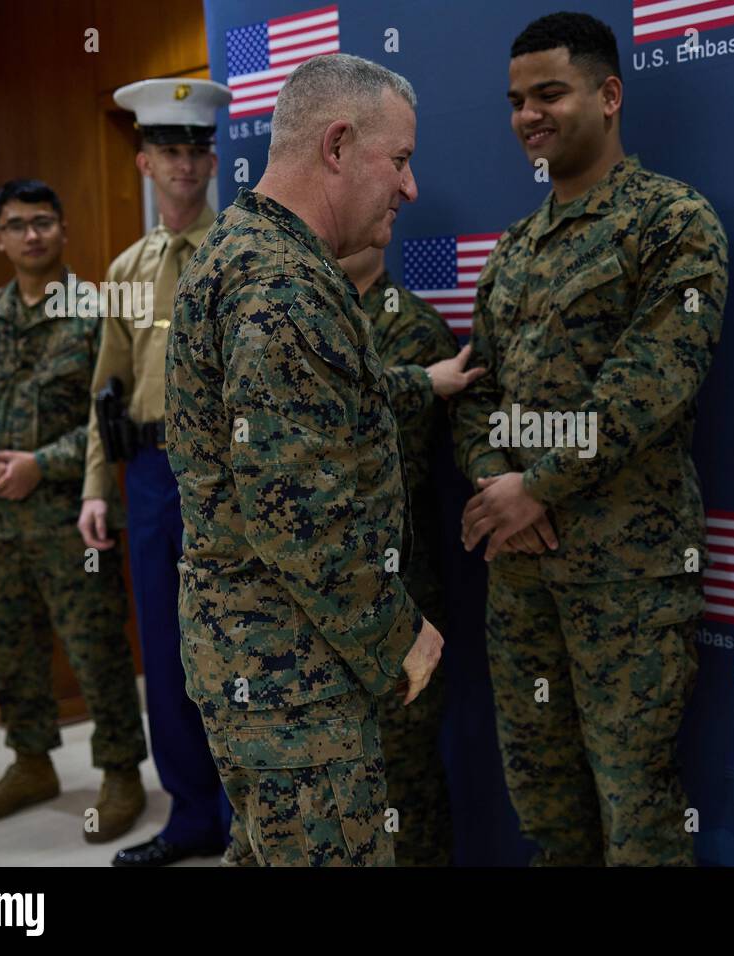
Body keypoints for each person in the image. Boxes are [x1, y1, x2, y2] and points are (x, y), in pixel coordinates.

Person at [450, 12, 729, 866]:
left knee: (636, 808)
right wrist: (500, 485)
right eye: (515, 100)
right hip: (521, 573)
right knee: (544, 801)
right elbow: (471, 391)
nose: (528, 115)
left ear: (608, 96)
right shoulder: (513, 252)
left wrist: (533, 487)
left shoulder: (674, 224)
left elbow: (648, 385)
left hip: (627, 581)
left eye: (549, 93)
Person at [166, 53, 443, 867]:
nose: (409, 186)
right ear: (336, 144)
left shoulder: (238, 252)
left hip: (260, 664)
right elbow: (301, 520)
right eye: (399, 160)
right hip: (294, 677)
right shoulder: (284, 286)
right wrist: (401, 635)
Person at [0, 179, 147, 842]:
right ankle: (30, 763)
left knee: (98, 652)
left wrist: (41, 464)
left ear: (62, 230)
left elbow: (111, 416)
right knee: (13, 652)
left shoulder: (95, 314)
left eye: (44, 222)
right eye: (18, 224)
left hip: (73, 522)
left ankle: (120, 774)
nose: (32, 235)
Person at [77, 77, 236, 867]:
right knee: (166, 652)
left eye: (197, 150)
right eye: (169, 151)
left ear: (212, 161)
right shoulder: (128, 269)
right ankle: (191, 816)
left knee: (234, 644)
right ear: (144, 163)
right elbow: (106, 389)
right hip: (145, 474)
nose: (185, 164)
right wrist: (95, 489)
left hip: (220, 474)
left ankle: (249, 818)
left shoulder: (236, 251)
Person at [340, 244, 478, 865]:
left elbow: (383, 465)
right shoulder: (302, 315)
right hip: (317, 589)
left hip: (391, 589)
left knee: (401, 777)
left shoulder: (409, 326)